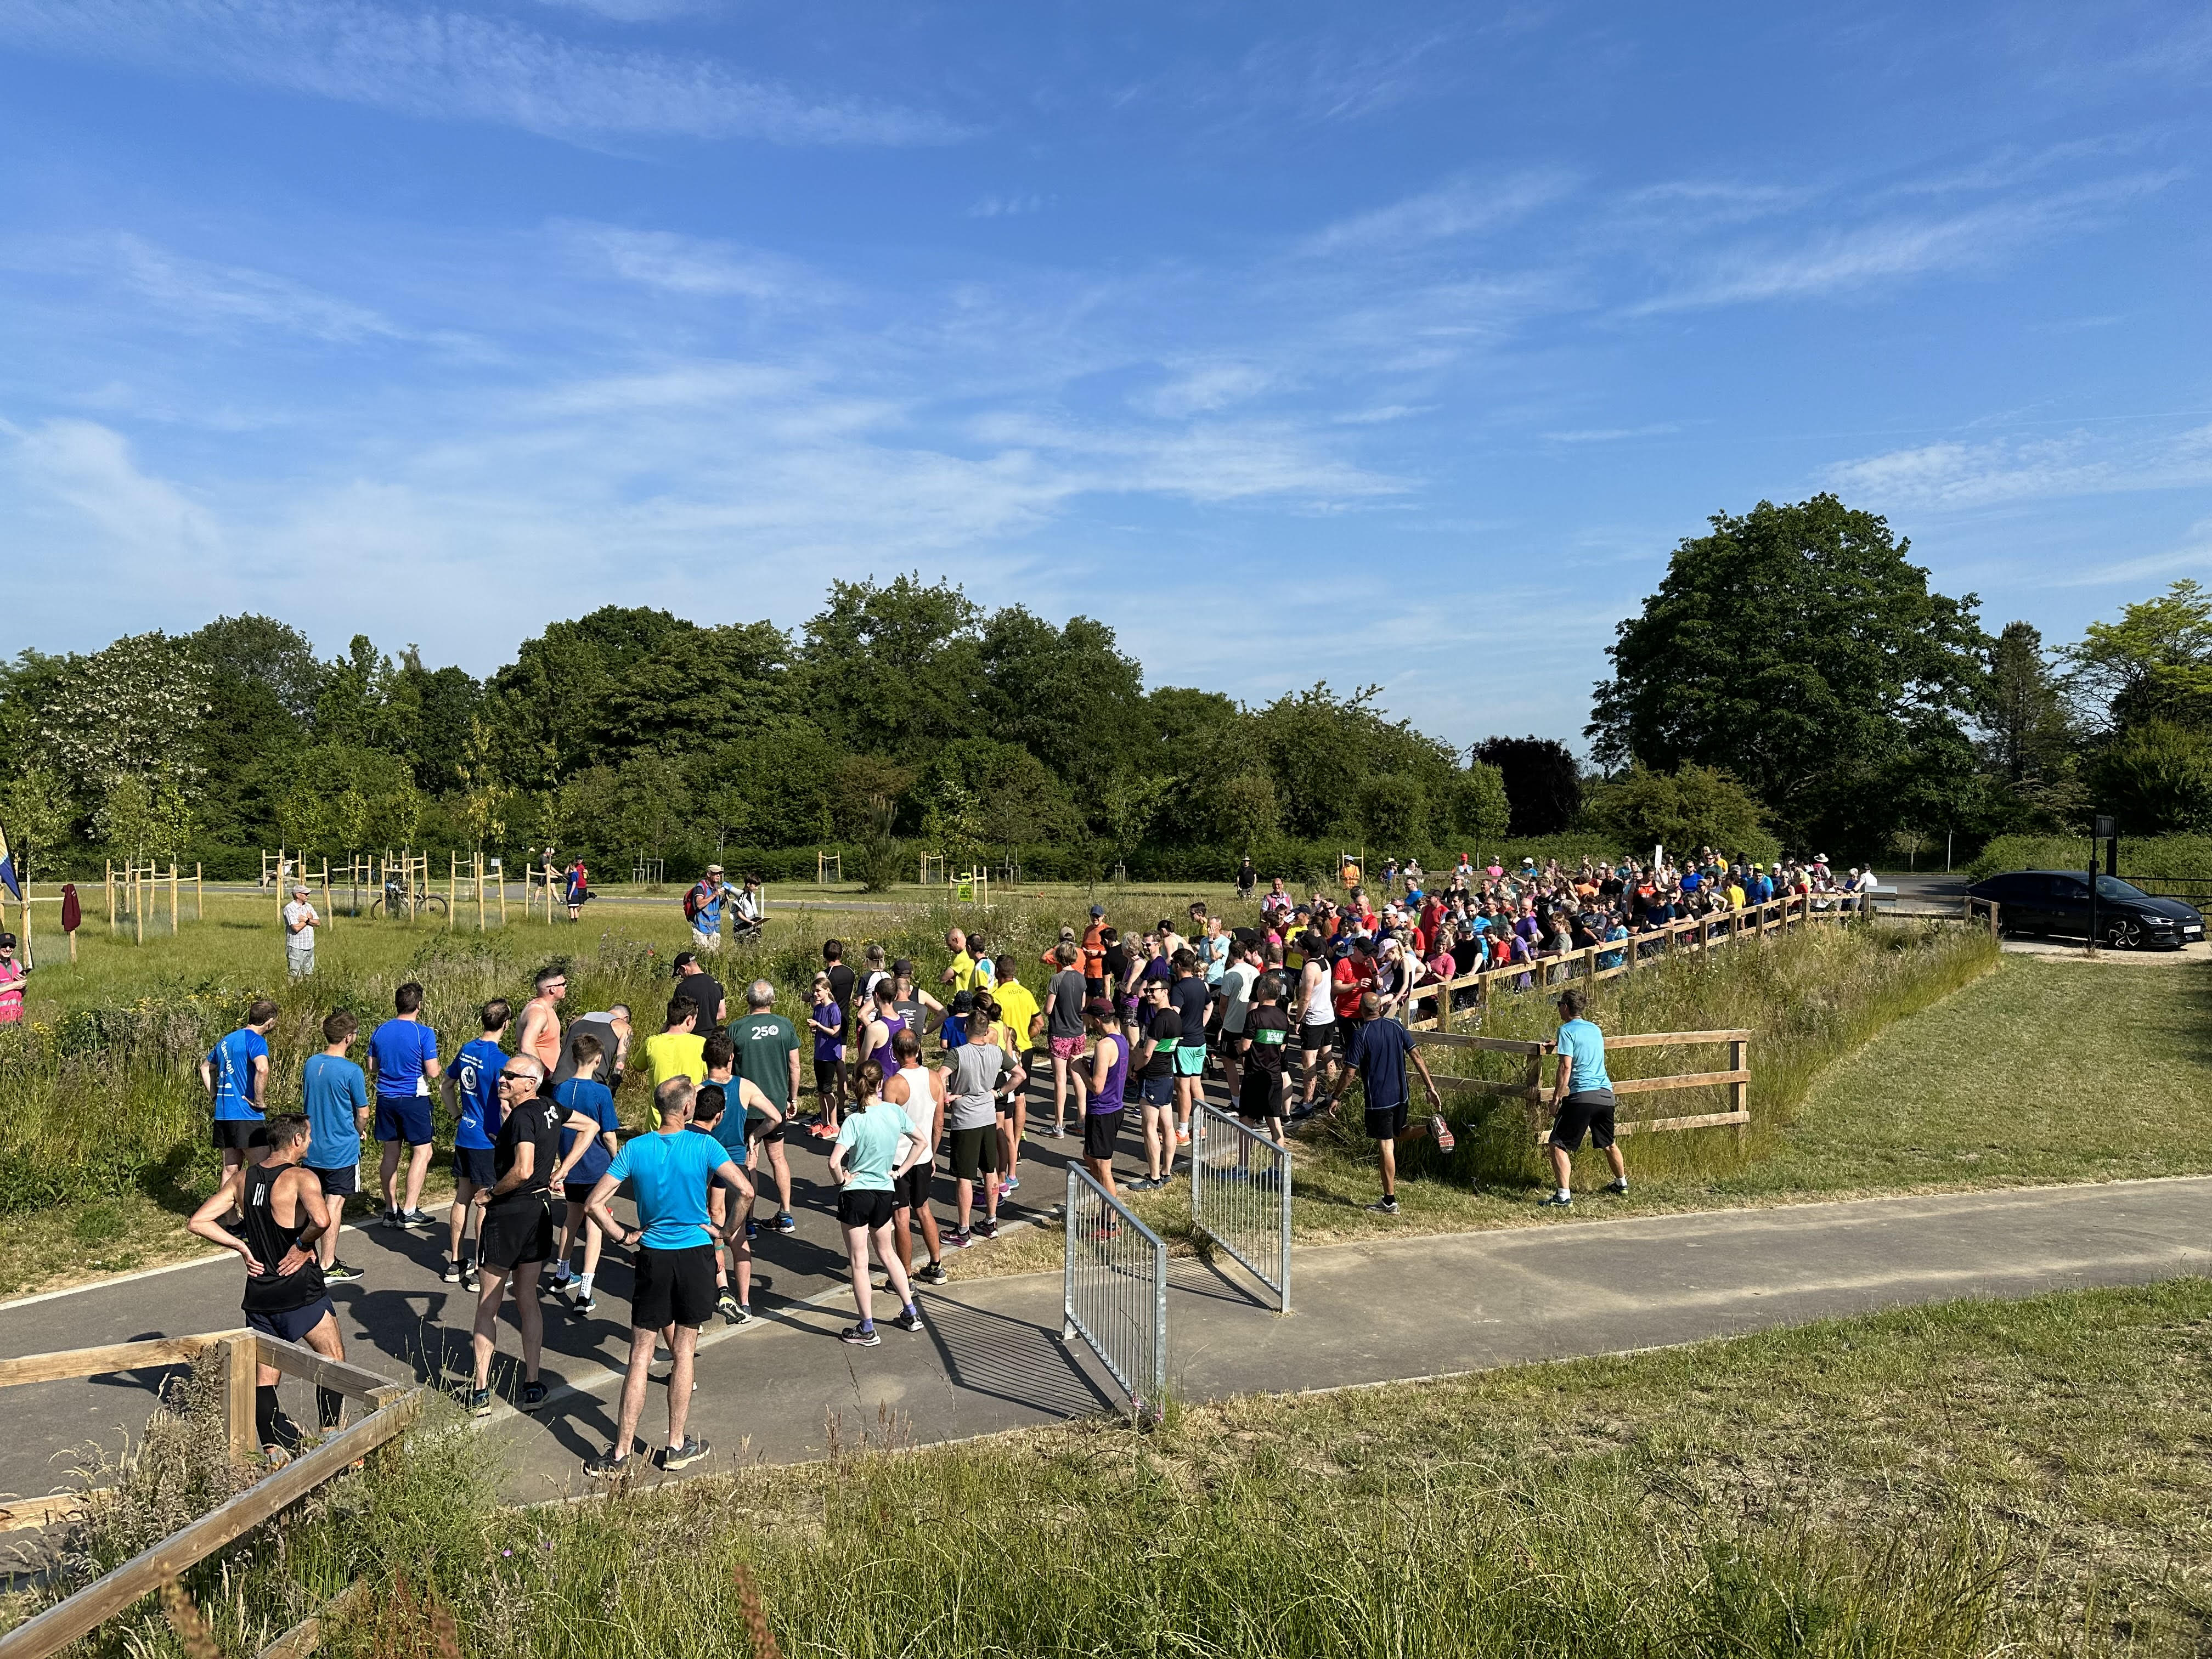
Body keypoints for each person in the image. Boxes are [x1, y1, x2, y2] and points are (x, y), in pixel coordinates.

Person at [582, 1076, 749, 1476]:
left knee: (641, 1353)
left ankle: (621, 1453)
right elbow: (745, 1190)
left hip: (653, 1254)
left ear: (659, 1108)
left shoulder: (635, 1148)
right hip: (694, 1254)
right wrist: (725, 1233)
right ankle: (676, 1445)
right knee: (684, 1350)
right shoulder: (705, 1145)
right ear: (688, 1109)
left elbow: (593, 1204)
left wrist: (623, 1235)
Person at [187, 1115, 349, 1459]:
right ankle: (331, 1435)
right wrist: (302, 1247)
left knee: (265, 1377)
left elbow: (198, 1222)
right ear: (295, 1142)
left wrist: (242, 1247)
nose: (310, 1142)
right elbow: (322, 1220)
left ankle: (275, 1451)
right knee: (333, 1358)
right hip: (300, 1290)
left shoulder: (242, 1180)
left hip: (259, 1293)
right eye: (308, 1137)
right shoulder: (302, 1178)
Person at [467, 1053, 560, 1416]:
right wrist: (560, 1170)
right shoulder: (550, 1109)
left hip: (509, 1215)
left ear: (530, 1083)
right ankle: (533, 1384)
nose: (502, 1078)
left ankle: (480, 1391)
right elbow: (587, 1126)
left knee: (487, 1305)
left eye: (511, 1075)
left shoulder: (522, 1116)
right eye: (503, 1073)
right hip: (539, 1212)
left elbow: (521, 1169)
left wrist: (489, 1194)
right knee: (527, 1300)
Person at [829, 1058, 928, 1346]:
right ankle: (911, 1312)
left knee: (860, 1262)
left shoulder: (854, 1120)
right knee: (888, 1254)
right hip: (886, 1191)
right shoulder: (894, 1112)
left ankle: (868, 1328)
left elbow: (834, 1161)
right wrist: (900, 1171)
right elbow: (920, 1142)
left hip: (856, 1194)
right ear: (880, 1084)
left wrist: (842, 1179)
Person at [1347, 993, 1451, 1216]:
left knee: (1386, 1146)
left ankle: (1389, 1201)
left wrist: (1336, 1096)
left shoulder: (1360, 1035)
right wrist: (1430, 1087)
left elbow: (1349, 1071)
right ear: (1380, 1008)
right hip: (1401, 1095)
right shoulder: (1396, 1027)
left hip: (1379, 1101)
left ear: (1362, 1010)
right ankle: (1430, 1128)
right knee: (1399, 1132)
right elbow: (1417, 1056)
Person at [695, 1046, 775, 1321]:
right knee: (738, 1236)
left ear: (705, 1059)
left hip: (705, 1165)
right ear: (731, 1059)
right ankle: (745, 1302)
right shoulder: (745, 1087)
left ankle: (717, 1291)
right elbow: (776, 1117)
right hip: (736, 1165)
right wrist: (754, 1137)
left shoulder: (697, 1092)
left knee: (707, 1228)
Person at [547, 1034, 623, 1313]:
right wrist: (618, 1161)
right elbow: (610, 1134)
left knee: (571, 1217)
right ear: (598, 1059)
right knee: (595, 1224)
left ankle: (562, 1273)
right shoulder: (601, 1092)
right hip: (596, 1167)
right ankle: (586, 1290)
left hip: (571, 1164)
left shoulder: (560, 1089)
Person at [441, 1000, 512, 1289]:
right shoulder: (500, 1060)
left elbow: (446, 1085)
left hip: (466, 1134)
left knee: (462, 1197)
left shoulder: (467, 1049)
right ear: (506, 1025)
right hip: (487, 1138)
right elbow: (506, 1107)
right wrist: (509, 1138)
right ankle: (480, 1268)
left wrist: (457, 1114)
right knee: (485, 1201)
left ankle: (456, 1262)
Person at [299, 1012, 369, 1283]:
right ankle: (328, 1263)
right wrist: (358, 1132)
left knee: (312, 1204)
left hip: (312, 1146)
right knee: (334, 1204)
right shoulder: (352, 1071)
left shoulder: (311, 1063)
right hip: (341, 1148)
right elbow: (363, 1113)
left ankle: (311, 1255)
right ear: (349, 1038)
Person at [1541, 988, 1626, 1209]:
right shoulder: (1595, 1029)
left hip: (1583, 1095)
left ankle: (1563, 1196)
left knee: (1557, 1143)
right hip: (1605, 1095)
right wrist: (1558, 1044)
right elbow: (1584, 1047)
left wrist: (1557, 1098)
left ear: (1566, 1007)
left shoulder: (1566, 1029)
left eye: (1559, 1004)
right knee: (1608, 1142)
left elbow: (1566, 1066)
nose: (1558, 1008)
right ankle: (1622, 1184)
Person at [366, 982, 442, 1227]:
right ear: (419, 1005)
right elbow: (432, 1072)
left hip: (386, 1097)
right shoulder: (424, 1033)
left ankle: (390, 1209)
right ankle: (410, 1210)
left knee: (391, 1154)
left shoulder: (380, 1031)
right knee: (423, 1151)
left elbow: (372, 1067)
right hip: (414, 1098)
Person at [730, 979, 801, 1230]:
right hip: (776, 1103)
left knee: (751, 1161)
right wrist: (793, 1097)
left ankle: (748, 1221)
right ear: (772, 1000)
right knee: (778, 1158)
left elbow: (726, 1069)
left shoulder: (736, 1028)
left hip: (746, 1105)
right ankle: (786, 1214)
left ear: (748, 1001)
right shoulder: (785, 1025)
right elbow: (794, 1065)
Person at [944, 1012, 1017, 1243]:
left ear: (966, 1027)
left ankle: (963, 1230)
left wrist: (950, 1096)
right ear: (987, 1031)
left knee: (964, 1175)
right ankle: (991, 1221)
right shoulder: (997, 1052)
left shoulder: (958, 1053)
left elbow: (939, 1077)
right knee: (990, 1170)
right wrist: (998, 1093)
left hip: (965, 1119)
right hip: (988, 1117)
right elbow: (1019, 1074)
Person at [884, 1029, 949, 1276]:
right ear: (919, 1050)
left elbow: (887, 1127)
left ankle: (906, 1275)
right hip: (922, 1158)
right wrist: (932, 1154)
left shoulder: (894, 1084)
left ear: (895, 1052)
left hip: (898, 1161)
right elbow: (939, 1122)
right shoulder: (935, 1079)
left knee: (901, 1217)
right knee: (923, 1209)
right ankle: (936, 1265)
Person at [202, 999, 278, 1189]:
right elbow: (262, 1069)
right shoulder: (256, 1040)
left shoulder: (226, 1040)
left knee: (230, 1168)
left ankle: (229, 1216)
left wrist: (214, 1096)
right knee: (262, 1166)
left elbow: (205, 1068)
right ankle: (260, 1212)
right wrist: (259, 1101)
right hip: (246, 1114)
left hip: (225, 1113)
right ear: (269, 1022)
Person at [989, 956, 1041, 1189]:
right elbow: (1039, 1022)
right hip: (1025, 1050)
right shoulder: (1026, 992)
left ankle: (1010, 1149)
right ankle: (1016, 1145)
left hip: (1004, 1054)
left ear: (998, 973)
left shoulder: (996, 996)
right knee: (1021, 1098)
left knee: (1006, 1102)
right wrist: (1026, 1038)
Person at [1128, 977, 1179, 1190]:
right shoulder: (1176, 1017)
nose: (1148, 993)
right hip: (1167, 1075)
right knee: (1168, 1126)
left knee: (1149, 1127)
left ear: (1165, 992)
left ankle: (1155, 1178)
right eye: (1148, 990)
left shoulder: (1160, 1019)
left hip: (1153, 1078)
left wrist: (1135, 1069)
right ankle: (1166, 1172)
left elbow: (1147, 1053)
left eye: (1153, 991)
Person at [1081, 997, 1130, 1205]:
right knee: (1089, 1156)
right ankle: (1104, 1198)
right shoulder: (1121, 1039)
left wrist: (1080, 1071)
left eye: (1090, 1019)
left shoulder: (1104, 1045)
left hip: (1104, 1111)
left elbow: (1097, 1087)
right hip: (1112, 1108)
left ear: (1097, 1021)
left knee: (1103, 1167)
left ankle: (1110, 1219)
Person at [1235, 970, 1292, 1144]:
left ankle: (1243, 1167)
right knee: (1275, 1123)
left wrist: (1237, 1048)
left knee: (1246, 1122)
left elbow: (1245, 1046)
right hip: (1274, 1077)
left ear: (1262, 992)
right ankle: (1278, 1167)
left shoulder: (1254, 1016)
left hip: (1254, 1077)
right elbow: (1282, 1048)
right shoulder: (1284, 1019)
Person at [1044, 941, 1089, 1136]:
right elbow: (1082, 1004)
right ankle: (1082, 1119)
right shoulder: (1081, 978)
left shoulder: (1056, 978)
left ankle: (1058, 1125)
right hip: (1078, 1032)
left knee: (1060, 1079)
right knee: (1078, 1076)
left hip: (1060, 1032)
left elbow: (1048, 1008)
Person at [1167, 948, 1211, 1147]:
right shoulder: (1201, 984)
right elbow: (1209, 1007)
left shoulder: (1179, 988)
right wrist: (1201, 1025)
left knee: (1182, 1087)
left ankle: (1183, 1131)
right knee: (1196, 1084)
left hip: (1184, 1043)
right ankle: (1201, 1128)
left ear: (1177, 965)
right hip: (1199, 1041)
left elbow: (1174, 1013)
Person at [1294, 931, 1336, 1115]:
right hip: (1327, 1016)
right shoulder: (1325, 962)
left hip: (1314, 1018)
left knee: (1308, 1061)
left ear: (1304, 951)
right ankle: (1330, 1094)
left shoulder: (1310, 968)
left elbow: (1305, 998)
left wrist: (1298, 1019)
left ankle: (1307, 1103)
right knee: (1327, 1056)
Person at [641, 999, 706, 1106]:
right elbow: (710, 1077)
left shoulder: (652, 1042)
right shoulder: (701, 1043)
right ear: (689, 1020)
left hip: (657, 1118)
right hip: (688, 1115)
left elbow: (639, 1066)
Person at [554, 1004, 631, 1090]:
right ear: (625, 1018)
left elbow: (563, 1048)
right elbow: (620, 1065)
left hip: (559, 1080)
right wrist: (611, 1093)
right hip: (590, 1086)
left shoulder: (579, 1018)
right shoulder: (624, 1027)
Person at [806, 972, 847, 1122]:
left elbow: (836, 1033)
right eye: (814, 992)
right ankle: (824, 1121)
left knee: (828, 1090)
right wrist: (815, 1029)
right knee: (821, 1091)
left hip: (830, 1054)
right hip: (819, 1053)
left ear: (827, 991)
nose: (815, 995)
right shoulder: (818, 1009)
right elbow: (821, 1028)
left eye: (818, 991)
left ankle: (834, 1122)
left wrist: (819, 1026)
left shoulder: (833, 1009)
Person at [515, 965, 566, 1075]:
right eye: (563, 984)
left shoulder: (547, 1009)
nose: (566, 986)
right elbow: (526, 1047)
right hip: (540, 1080)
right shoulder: (538, 1013)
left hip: (547, 1077)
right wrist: (545, 1072)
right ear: (553, 989)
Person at [670, 951, 727, 1035]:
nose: (681, 976)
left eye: (679, 974)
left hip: (692, 1037)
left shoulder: (683, 988)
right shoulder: (717, 984)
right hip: (712, 1038)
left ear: (684, 968)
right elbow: (722, 1014)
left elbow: (677, 1017)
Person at [685, 864, 734, 954]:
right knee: (703, 954)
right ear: (709, 874)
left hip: (714, 928)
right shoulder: (701, 887)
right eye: (716, 873)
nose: (719, 876)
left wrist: (723, 900)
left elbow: (714, 907)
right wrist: (715, 894)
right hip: (701, 928)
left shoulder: (715, 888)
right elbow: (699, 904)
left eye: (720, 873)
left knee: (714, 956)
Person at [282, 882, 319, 978]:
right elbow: (296, 928)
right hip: (296, 947)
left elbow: (318, 923)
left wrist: (306, 919)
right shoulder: (290, 908)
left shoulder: (308, 906)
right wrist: (308, 921)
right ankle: (293, 992)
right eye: (306, 894)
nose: (308, 896)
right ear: (298, 895)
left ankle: (306, 992)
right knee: (295, 975)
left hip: (310, 946)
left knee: (309, 974)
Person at [0, 932, 25, 1025]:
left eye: (11, 946)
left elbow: (22, 993)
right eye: (4, 946)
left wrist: (22, 985)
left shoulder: (17, 964)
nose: (7, 949)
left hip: (17, 1018)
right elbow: (15, 987)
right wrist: (14, 986)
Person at [563, 857, 588, 923]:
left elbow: (574, 884)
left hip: (572, 893)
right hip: (576, 892)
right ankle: (576, 921)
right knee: (575, 908)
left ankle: (572, 922)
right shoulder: (575, 873)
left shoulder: (574, 875)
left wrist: (570, 894)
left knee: (571, 908)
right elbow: (565, 872)